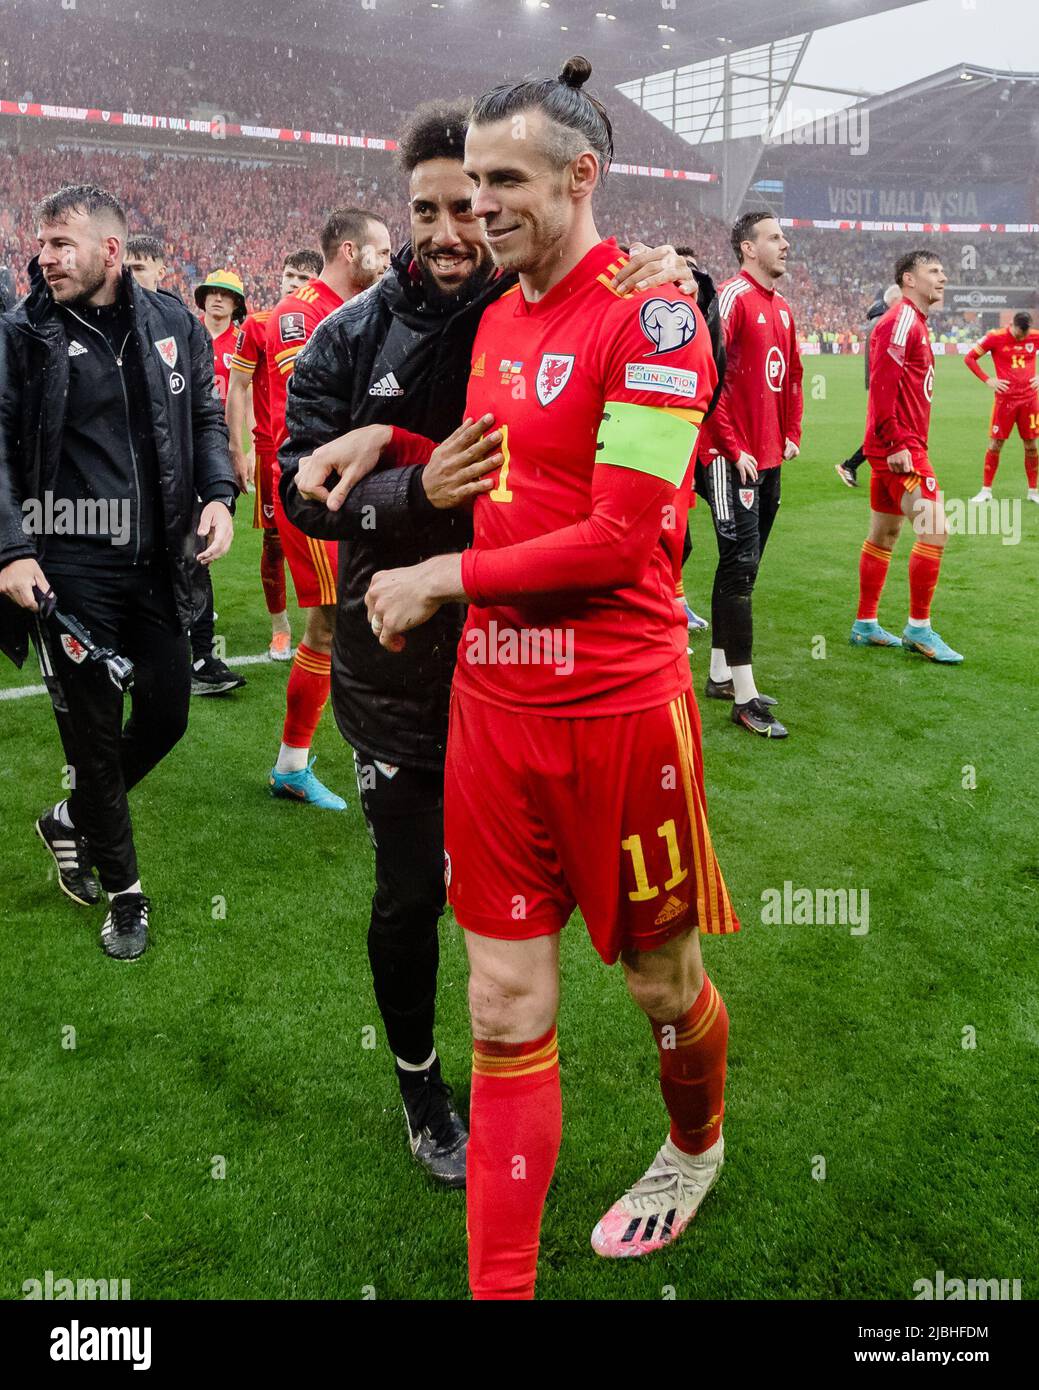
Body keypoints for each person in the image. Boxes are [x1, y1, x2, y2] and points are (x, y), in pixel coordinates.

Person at [361, 58, 739, 1300]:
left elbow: (624, 536)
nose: (480, 211)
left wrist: (440, 582)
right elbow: (519, 474)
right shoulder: (499, 319)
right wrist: (402, 443)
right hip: (495, 721)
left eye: (506, 182)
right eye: (470, 186)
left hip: (619, 719)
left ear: (583, 177)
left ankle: (694, 1145)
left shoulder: (654, 313)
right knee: (505, 1005)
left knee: (655, 981)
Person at [279, 103, 693, 1187]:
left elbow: (641, 429)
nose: (454, 227)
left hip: (546, 669)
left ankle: (602, 1089)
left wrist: (668, 292)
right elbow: (298, 491)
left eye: (470, 202)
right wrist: (408, 488)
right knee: (412, 894)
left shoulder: (539, 299)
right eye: (428, 209)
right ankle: (421, 1086)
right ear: (403, 214)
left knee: (575, 937)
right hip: (403, 667)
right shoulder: (345, 335)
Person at [0, 184, 237, 960]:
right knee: (95, 743)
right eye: (41, 243)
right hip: (70, 568)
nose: (44, 256)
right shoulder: (22, 334)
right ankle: (126, 896)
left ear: (109, 250)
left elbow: (203, 416)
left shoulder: (172, 322)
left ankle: (70, 821)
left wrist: (221, 495)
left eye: (60, 243)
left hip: (159, 563)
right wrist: (13, 548)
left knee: (167, 715)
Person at [265, 208, 392, 810]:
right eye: (381, 252)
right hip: (315, 489)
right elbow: (310, 410)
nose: (389, 263)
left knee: (347, 616)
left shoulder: (360, 314)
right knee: (335, 618)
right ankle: (299, 761)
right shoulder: (300, 314)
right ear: (350, 251)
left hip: (353, 487)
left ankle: (311, 757)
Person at [695, 211, 804, 739]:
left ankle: (719, 672)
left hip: (767, 460)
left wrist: (791, 432)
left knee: (746, 565)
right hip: (725, 457)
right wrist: (733, 447)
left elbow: (794, 378)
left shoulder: (782, 308)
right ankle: (744, 697)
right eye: (775, 237)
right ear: (747, 248)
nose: (786, 244)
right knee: (739, 565)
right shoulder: (733, 298)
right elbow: (708, 377)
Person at [849, 249, 962, 662]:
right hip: (901, 449)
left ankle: (865, 623)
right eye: (934, 271)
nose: (943, 277)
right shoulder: (901, 322)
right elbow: (881, 383)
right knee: (936, 529)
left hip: (895, 448)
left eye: (944, 270)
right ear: (908, 280)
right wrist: (895, 442)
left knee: (885, 535)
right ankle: (919, 629)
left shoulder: (914, 323)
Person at [227, 248, 322, 660]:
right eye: (288, 274)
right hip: (272, 450)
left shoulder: (328, 321)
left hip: (323, 446)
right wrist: (242, 445)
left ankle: (325, 625)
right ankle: (280, 628)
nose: (293, 283)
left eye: (303, 277)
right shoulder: (259, 324)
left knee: (330, 534)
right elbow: (238, 386)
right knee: (274, 541)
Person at [190, 267, 249, 694]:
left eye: (225, 296)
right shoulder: (185, 336)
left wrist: (242, 451)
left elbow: (245, 400)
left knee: (200, 547)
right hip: (187, 452)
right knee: (193, 548)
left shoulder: (242, 343)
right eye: (211, 293)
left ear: (235, 305)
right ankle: (196, 646)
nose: (217, 300)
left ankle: (196, 639)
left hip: (219, 454)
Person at [964, 309, 1039, 505]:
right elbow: (969, 358)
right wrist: (988, 379)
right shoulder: (995, 338)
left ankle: (1033, 491)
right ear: (1012, 325)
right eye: (1019, 334)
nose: (1022, 338)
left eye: (1025, 335)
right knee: (995, 444)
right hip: (1005, 402)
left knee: (1031, 445)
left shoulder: (1034, 336)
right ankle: (986, 490)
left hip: (1030, 401)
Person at [836, 284, 901, 488]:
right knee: (882, 430)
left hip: (878, 384)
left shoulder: (878, 320)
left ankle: (852, 466)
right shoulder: (884, 322)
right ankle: (850, 466)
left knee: (882, 430)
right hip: (883, 385)